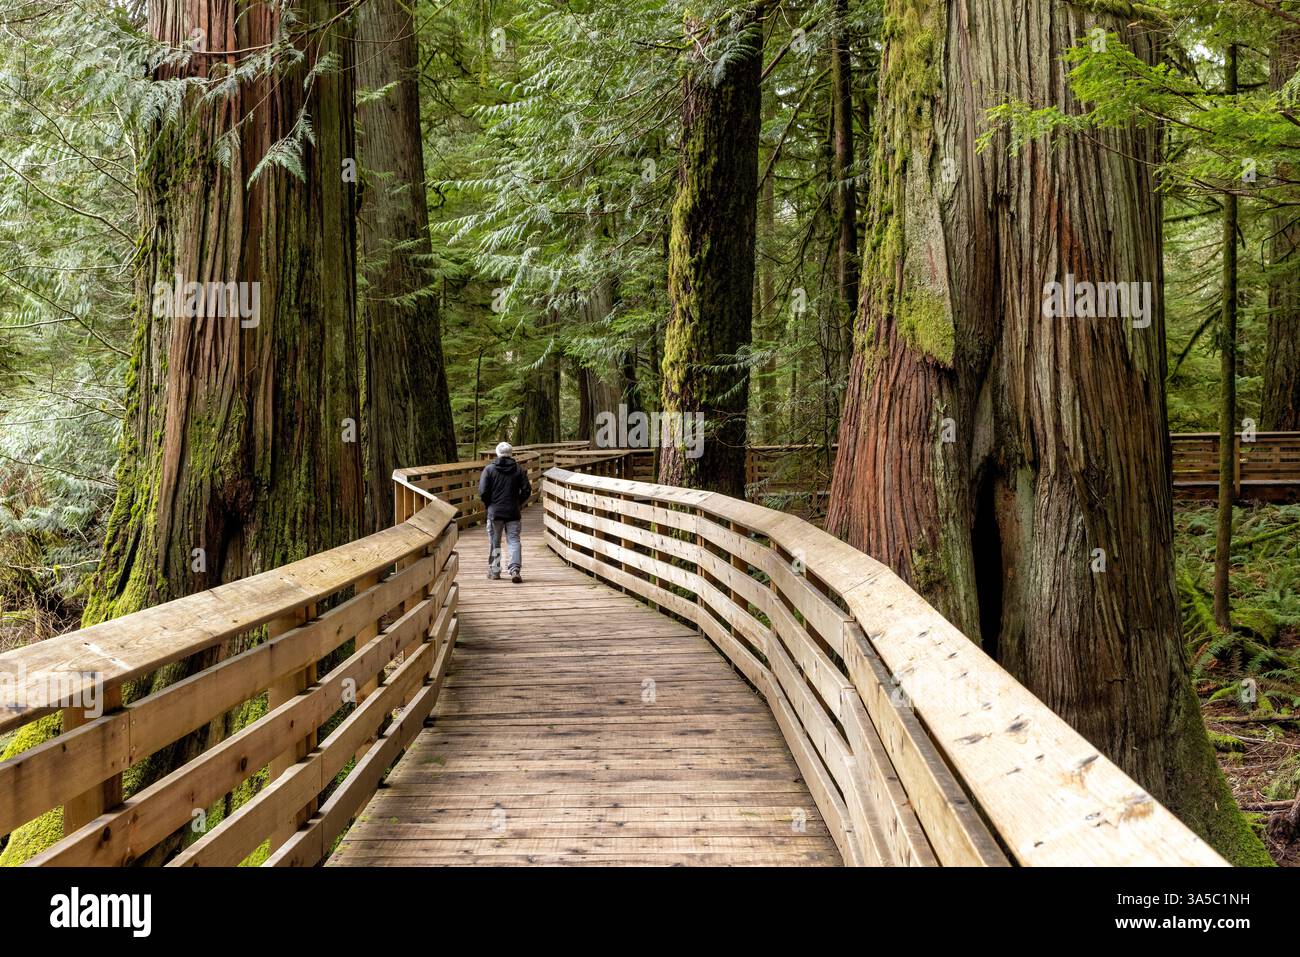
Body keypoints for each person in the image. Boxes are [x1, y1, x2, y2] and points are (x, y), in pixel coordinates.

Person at [478, 441, 532, 583]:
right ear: (511, 453)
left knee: (495, 541)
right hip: (513, 512)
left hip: (494, 512)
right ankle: (514, 570)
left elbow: (483, 492)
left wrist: (489, 505)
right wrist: (518, 503)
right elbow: (526, 490)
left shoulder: (489, 470)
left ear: (497, 453)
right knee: (514, 540)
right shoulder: (519, 470)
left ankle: (495, 571)